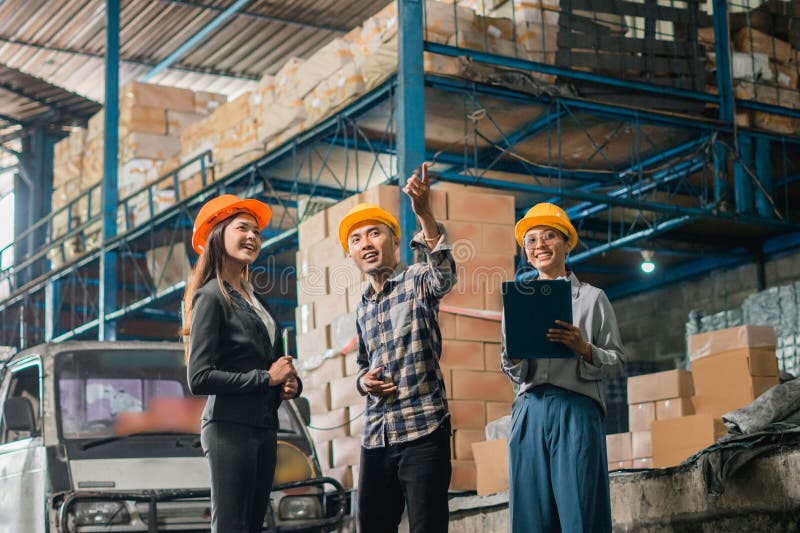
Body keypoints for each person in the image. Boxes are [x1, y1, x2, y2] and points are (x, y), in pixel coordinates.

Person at [339, 164, 456, 533]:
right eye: (356, 239)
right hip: (377, 435)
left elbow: (444, 275)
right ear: (351, 254)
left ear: (393, 240)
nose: (366, 244)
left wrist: (424, 213)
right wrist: (364, 383)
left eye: (375, 234)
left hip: (423, 429)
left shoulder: (416, 281)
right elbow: (361, 364)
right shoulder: (362, 306)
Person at [501, 202, 625, 533]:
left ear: (567, 244)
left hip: (576, 409)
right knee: (530, 515)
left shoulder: (592, 299)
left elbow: (617, 361)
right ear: (525, 253)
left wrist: (584, 348)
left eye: (549, 236)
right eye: (531, 241)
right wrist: (514, 357)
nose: (539, 245)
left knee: (580, 511)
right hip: (529, 411)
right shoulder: (517, 301)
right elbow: (511, 368)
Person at [184, 194, 302, 533]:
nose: (252, 237)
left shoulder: (255, 298)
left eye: (256, 232)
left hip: (263, 425)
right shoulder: (210, 296)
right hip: (228, 427)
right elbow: (199, 377)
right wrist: (266, 378)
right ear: (218, 235)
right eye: (242, 228)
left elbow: (271, 361)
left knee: (252, 526)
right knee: (233, 525)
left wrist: (289, 383)